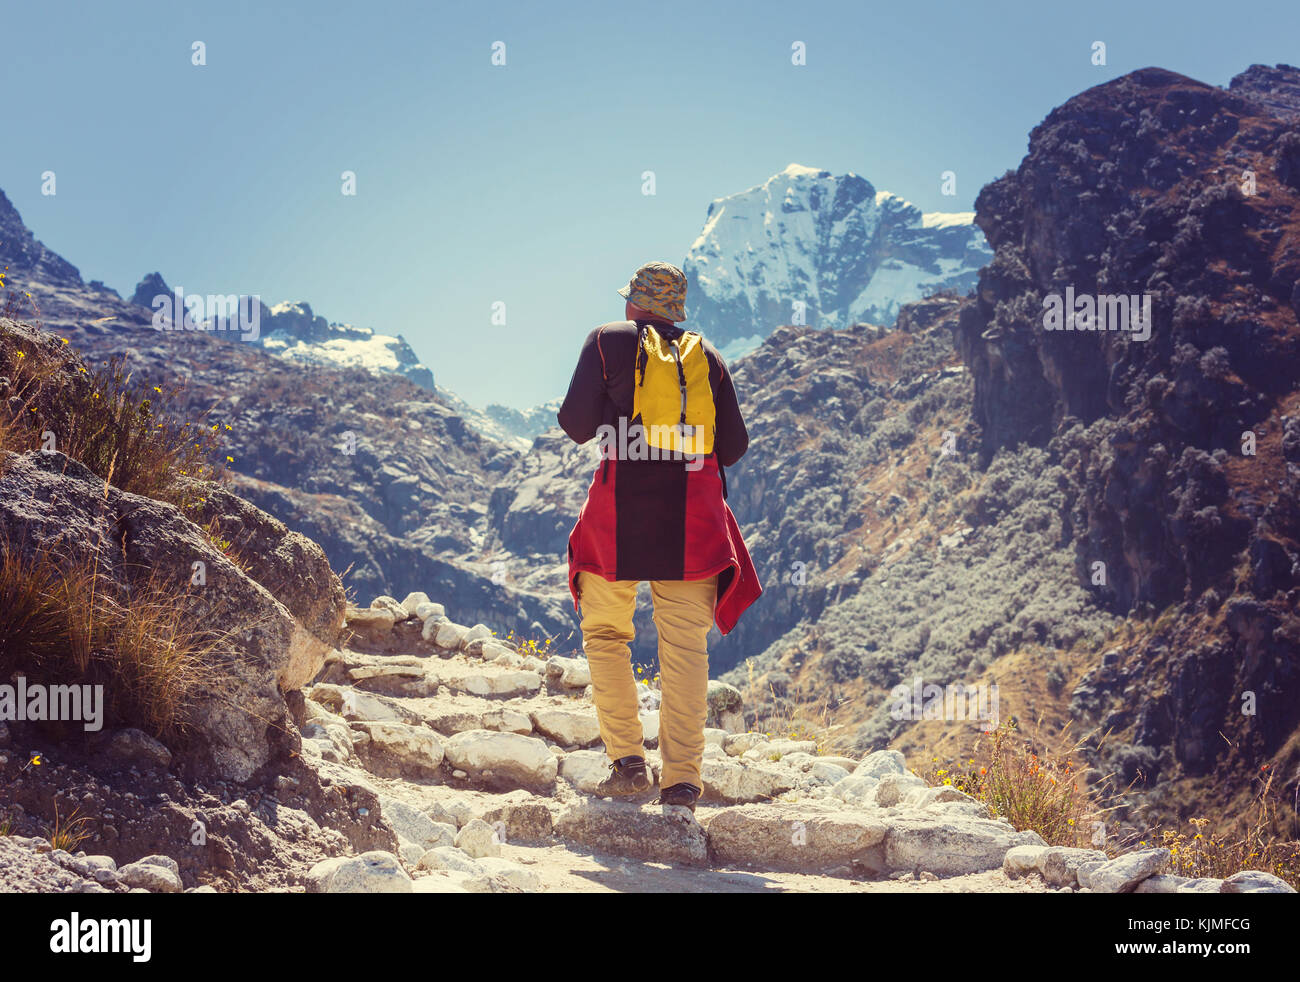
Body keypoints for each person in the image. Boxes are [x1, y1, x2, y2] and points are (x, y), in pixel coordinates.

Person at [557, 260, 761, 812]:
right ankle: (683, 784)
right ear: (677, 308)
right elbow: (734, 447)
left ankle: (627, 763)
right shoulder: (709, 359)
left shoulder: (607, 342)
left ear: (634, 303)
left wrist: (615, 415)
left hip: (618, 516)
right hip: (691, 521)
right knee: (685, 649)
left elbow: (575, 425)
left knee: (604, 634)